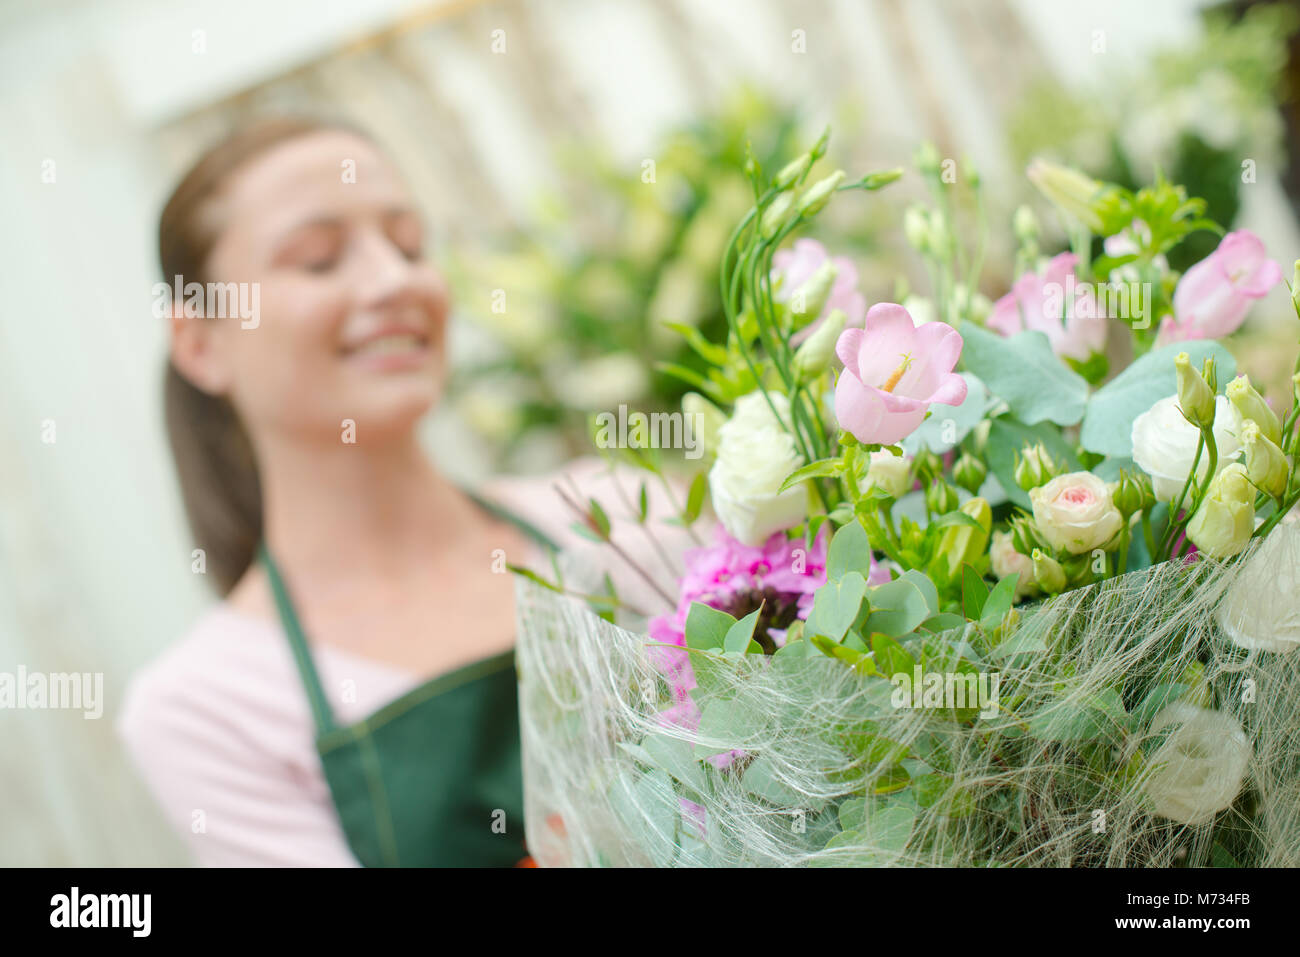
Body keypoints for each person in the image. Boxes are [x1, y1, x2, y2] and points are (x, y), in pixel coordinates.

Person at [116, 117, 671, 866]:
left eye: (409, 246)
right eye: (318, 260)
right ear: (202, 343)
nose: (394, 280)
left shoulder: (619, 515)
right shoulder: (205, 706)